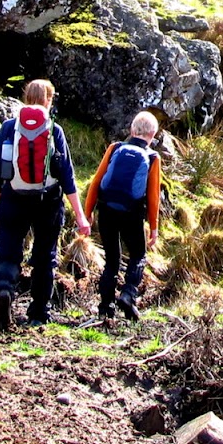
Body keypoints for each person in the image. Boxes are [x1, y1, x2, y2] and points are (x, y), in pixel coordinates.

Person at [0, 79, 90, 330]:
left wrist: (3, 195)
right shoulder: (54, 130)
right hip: (48, 201)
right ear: (49, 99)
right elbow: (67, 174)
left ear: (25, 97)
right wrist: (80, 215)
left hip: (13, 197)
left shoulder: (9, 127)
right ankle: (38, 314)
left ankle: (4, 291)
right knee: (44, 257)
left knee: (8, 252)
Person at [82, 110, 163, 321]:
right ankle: (128, 294)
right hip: (132, 213)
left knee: (111, 260)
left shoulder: (115, 148)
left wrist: (87, 212)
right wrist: (154, 227)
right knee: (138, 255)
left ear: (132, 130)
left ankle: (105, 307)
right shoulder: (153, 157)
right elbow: (153, 197)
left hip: (106, 209)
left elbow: (96, 181)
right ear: (152, 135)